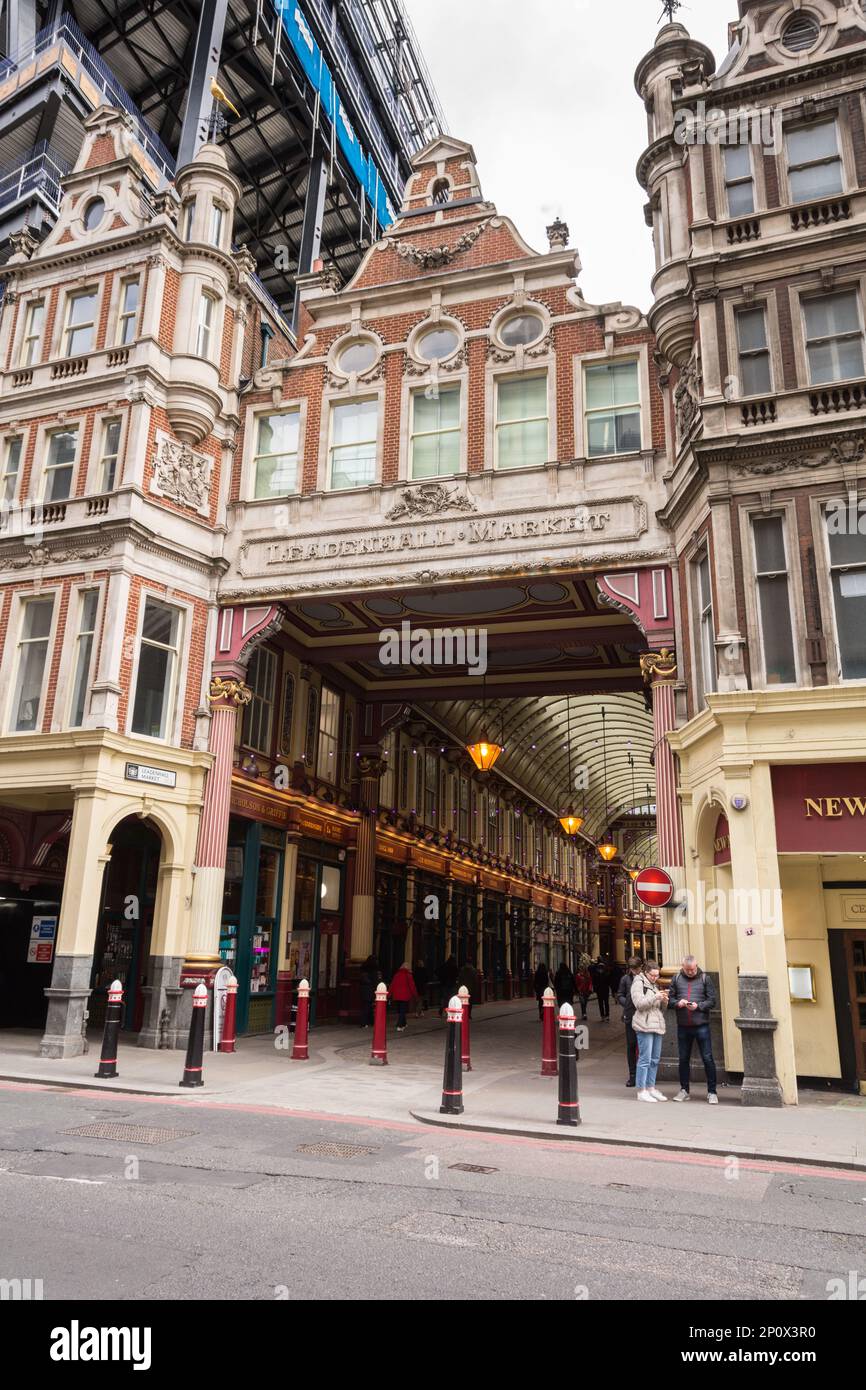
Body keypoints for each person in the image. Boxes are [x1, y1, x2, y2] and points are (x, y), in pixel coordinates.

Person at [667, 955, 719, 1104]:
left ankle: (712, 1091)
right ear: (683, 967)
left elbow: (712, 1001)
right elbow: (669, 1001)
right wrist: (678, 1003)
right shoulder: (676, 979)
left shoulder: (705, 979)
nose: (691, 972)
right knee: (683, 1059)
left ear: (697, 966)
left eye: (693, 969)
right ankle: (684, 1090)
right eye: (688, 970)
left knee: (707, 1058)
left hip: (701, 1025)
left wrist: (699, 1006)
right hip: (683, 1026)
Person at [631, 960, 669, 1102]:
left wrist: (664, 1000)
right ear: (646, 973)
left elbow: (660, 1009)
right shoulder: (638, 983)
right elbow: (639, 1004)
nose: (655, 978)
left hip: (657, 1025)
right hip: (644, 1025)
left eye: (657, 975)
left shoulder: (654, 985)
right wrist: (655, 996)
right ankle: (641, 1090)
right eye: (652, 975)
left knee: (654, 1059)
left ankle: (651, 1087)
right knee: (645, 1059)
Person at [616, 955, 643, 1087]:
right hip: (630, 1016)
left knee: (644, 1046)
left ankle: (644, 1074)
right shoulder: (625, 979)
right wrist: (626, 1002)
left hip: (644, 1016)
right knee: (631, 1045)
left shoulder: (645, 978)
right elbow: (619, 994)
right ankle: (632, 1075)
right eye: (632, 969)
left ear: (640, 967)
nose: (634, 971)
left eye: (636, 969)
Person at [389, 962, 419, 1032]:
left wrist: (388, 995)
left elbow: (392, 985)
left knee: (401, 1010)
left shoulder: (396, 975)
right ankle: (399, 1025)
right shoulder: (408, 975)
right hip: (405, 996)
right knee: (402, 1011)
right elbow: (412, 986)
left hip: (396, 996)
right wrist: (416, 996)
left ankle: (404, 1023)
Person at [359, 954, 381, 1028]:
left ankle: (366, 1022)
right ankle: (365, 1022)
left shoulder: (363, 968)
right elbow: (376, 981)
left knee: (366, 1007)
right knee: (368, 1007)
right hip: (370, 990)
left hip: (364, 990)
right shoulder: (374, 970)